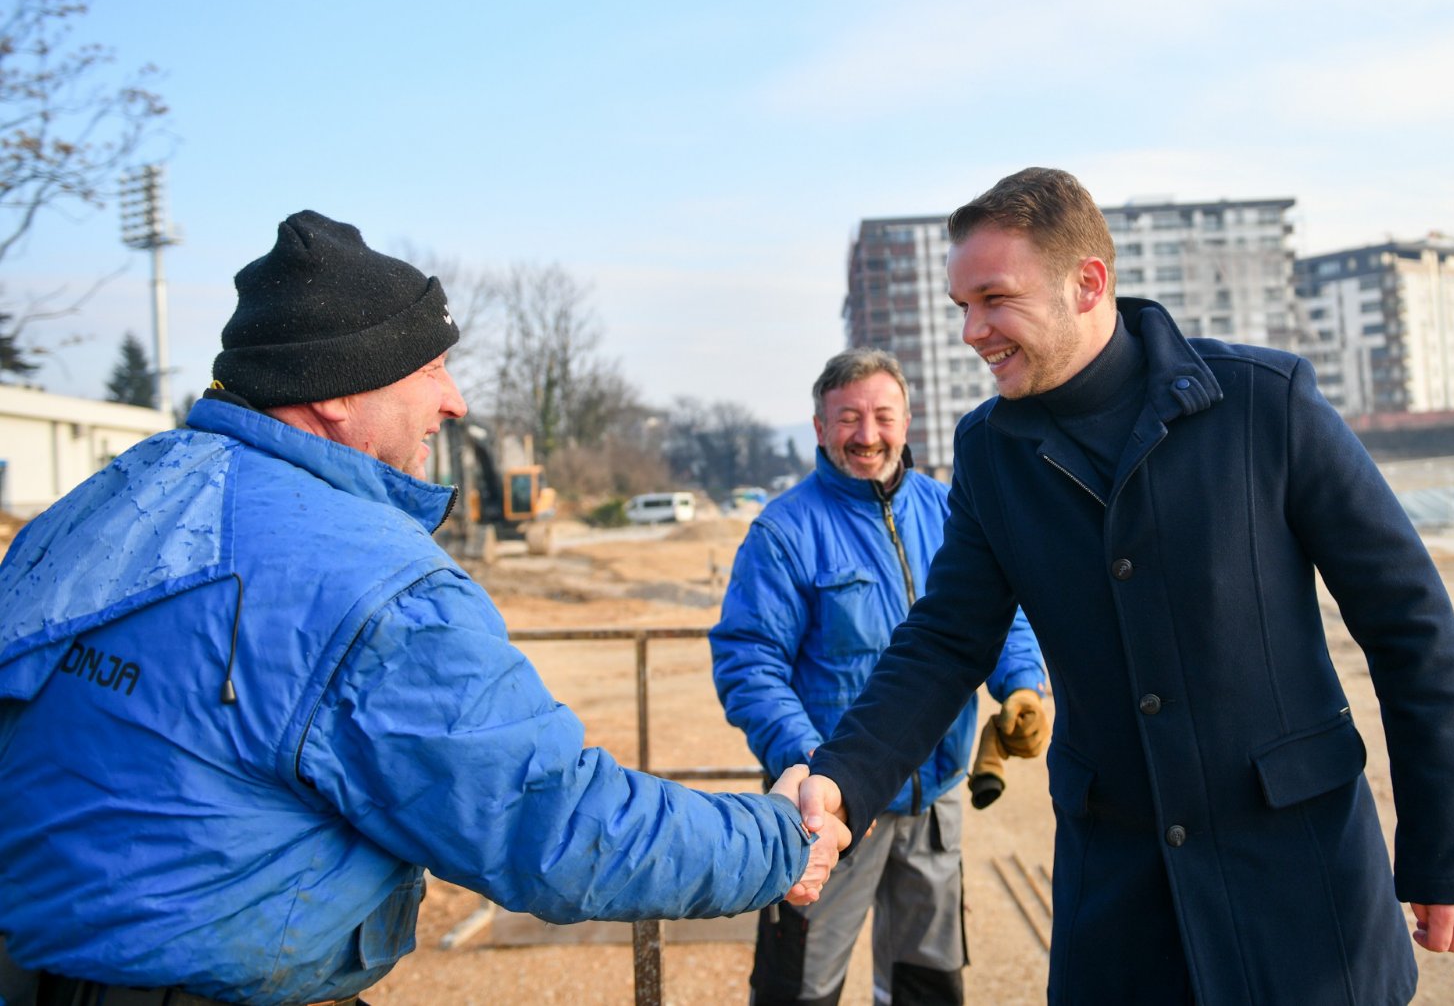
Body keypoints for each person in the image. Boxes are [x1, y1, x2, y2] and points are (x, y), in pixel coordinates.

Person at [0, 211, 845, 1006]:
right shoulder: (372, 584)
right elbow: (550, 823)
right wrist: (777, 841)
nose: (456, 400)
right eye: (430, 369)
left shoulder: (102, 504)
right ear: (333, 391)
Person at [800, 168, 1454, 1004]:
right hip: (1118, 896)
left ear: (1086, 283)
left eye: (993, 298)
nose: (971, 331)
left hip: (1296, 879)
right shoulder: (990, 449)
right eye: (962, 307)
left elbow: (1407, 621)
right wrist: (843, 777)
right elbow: (947, 638)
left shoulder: (1263, 404)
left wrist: (1446, 847)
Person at [710, 348, 1048, 1006]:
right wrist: (816, 770)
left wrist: (1023, 683)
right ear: (818, 427)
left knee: (926, 982)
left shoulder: (952, 510)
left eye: (883, 416)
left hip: (934, 798)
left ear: (908, 420)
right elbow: (749, 663)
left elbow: (997, 615)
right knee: (798, 986)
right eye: (848, 418)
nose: (868, 435)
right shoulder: (784, 532)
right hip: (829, 809)